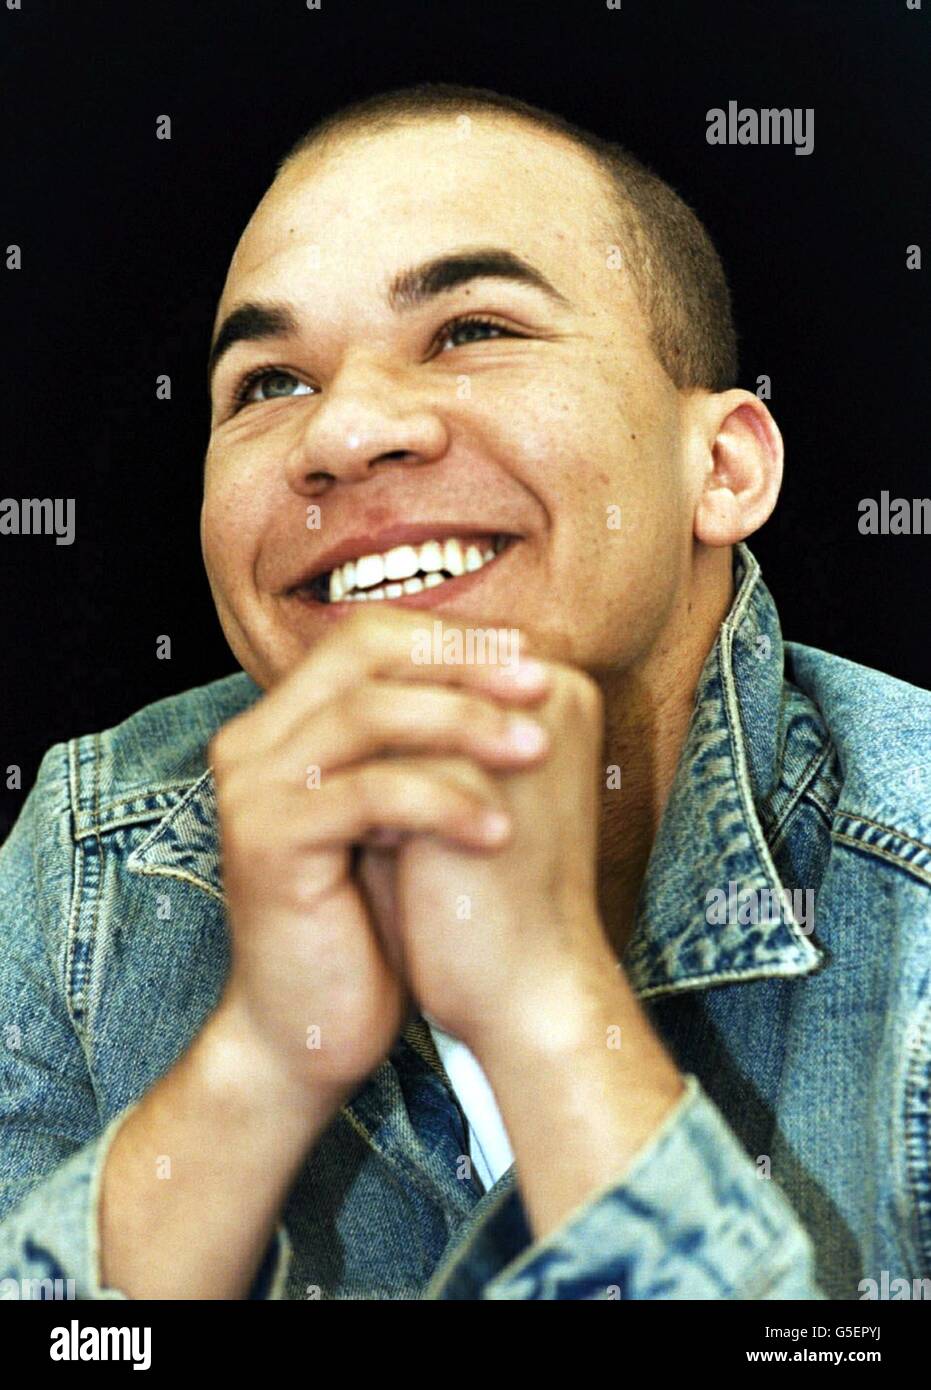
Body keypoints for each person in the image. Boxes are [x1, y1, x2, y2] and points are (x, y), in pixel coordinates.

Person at [1, 82, 929, 1302]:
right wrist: (262, 1063)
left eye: (471, 330)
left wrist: (549, 1019)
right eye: (270, 383)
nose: (345, 431)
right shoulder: (89, 851)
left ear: (722, 466)